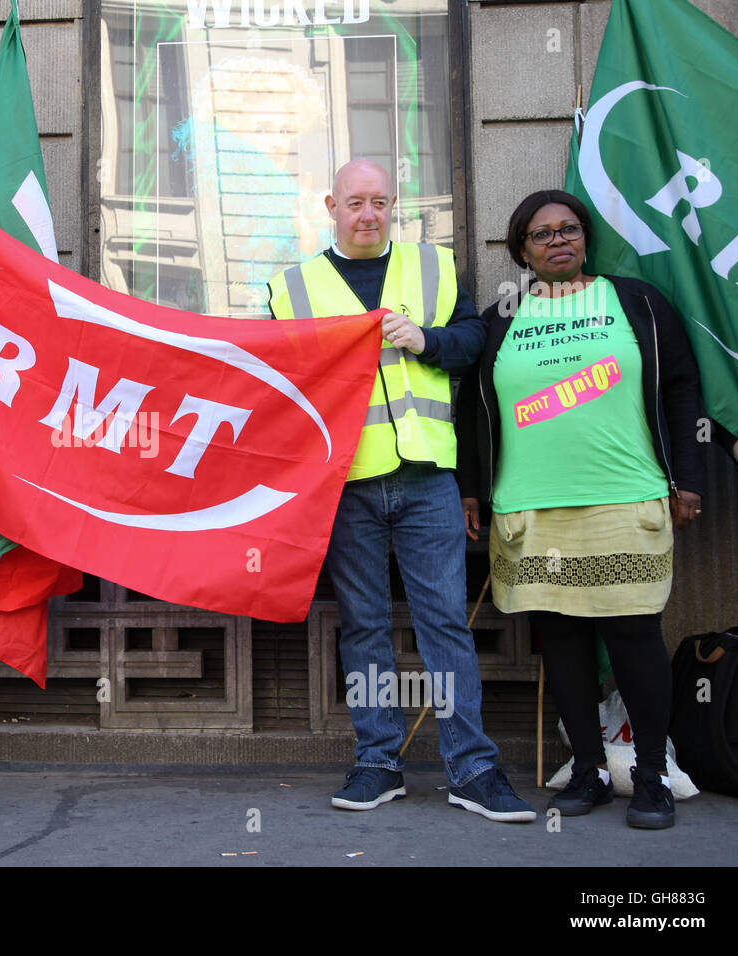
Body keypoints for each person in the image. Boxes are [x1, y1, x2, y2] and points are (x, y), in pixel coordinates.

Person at [267, 158, 535, 822]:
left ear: (394, 205)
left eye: (381, 201)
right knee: (362, 628)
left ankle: (472, 770)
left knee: (445, 625)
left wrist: (427, 339)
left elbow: (475, 341)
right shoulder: (290, 287)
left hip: (426, 481)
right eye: (356, 201)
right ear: (331, 205)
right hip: (345, 486)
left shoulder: (434, 268)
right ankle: (377, 762)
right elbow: (274, 383)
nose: (369, 213)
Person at [456, 189, 704, 829]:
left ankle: (650, 775)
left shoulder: (637, 302)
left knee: (634, 635)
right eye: (542, 235)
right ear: (521, 251)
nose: (558, 240)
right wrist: (472, 488)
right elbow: (472, 411)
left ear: (585, 238)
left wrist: (689, 478)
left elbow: (680, 388)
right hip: (531, 508)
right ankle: (590, 770)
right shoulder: (501, 318)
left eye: (569, 229)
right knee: (561, 639)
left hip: (627, 497)